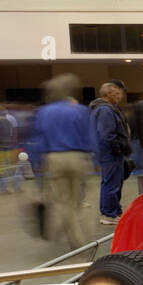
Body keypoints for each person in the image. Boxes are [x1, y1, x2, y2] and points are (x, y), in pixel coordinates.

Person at [27, 74, 94, 250]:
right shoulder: (80, 110)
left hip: (55, 158)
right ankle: (72, 229)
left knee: (63, 200)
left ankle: (75, 237)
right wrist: (95, 158)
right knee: (75, 198)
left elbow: (39, 139)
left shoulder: (44, 112)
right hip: (79, 157)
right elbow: (90, 136)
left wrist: (37, 162)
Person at [89, 79, 131, 224]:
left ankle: (114, 211)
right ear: (109, 92)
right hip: (111, 152)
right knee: (111, 183)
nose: (120, 96)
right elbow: (107, 134)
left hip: (109, 152)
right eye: (118, 93)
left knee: (113, 182)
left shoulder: (104, 108)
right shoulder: (105, 110)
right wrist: (118, 149)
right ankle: (108, 214)